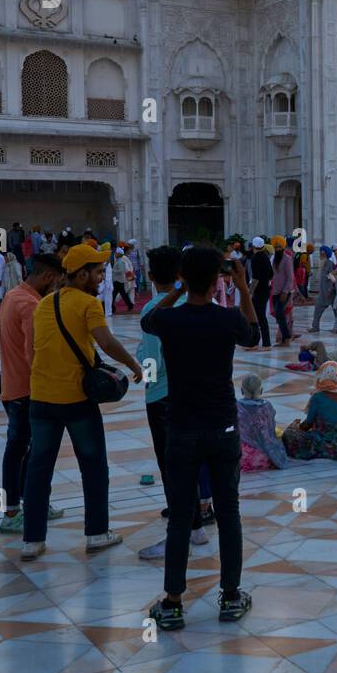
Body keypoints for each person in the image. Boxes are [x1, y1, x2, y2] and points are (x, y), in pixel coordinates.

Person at [141, 245, 259, 631]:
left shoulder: (171, 321)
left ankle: (173, 602)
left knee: (180, 517)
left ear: (184, 278)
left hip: (181, 427)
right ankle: (229, 596)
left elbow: (149, 320)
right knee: (229, 513)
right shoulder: (226, 320)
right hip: (222, 426)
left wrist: (178, 287)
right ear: (216, 281)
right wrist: (242, 289)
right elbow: (254, 336)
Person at [21, 244, 144, 560]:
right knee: (92, 465)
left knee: (38, 468)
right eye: (99, 272)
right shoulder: (89, 304)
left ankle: (32, 540)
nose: (102, 277)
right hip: (75, 398)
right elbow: (106, 341)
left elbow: (34, 348)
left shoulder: (44, 304)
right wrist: (133, 365)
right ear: (81, 273)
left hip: (41, 397)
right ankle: (97, 533)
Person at [136, 246, 210, 561]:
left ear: (151, 276)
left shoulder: (155, 310)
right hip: (197, 394)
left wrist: (145, 376)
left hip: (164, 397)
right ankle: (196, 527)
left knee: (171, 468)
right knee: (191, 461)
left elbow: (153, 362)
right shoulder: (194, 303)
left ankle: (177, 537)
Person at [0, 253, 66, 536]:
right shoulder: (30, 305)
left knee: (26, 451)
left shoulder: (13, 296)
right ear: (48, 277)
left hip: (13, 388)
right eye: (56, 282)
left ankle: (34, 501)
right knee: (20, 450)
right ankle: (12, 511)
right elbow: (33, 352)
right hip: (26, 390)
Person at [281, 360, 337, 461]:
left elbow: (307, 424)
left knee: (289, 435)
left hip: (335, 448)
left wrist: (296, 428)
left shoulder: (318, 397)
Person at [237, 374, 290, 471]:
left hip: (245, 457)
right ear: (261, 390)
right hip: (268, 456)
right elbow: (270, 431)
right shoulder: (267, 406)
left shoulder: (238, 407)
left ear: (242, 390)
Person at [248, 236, 274, 347]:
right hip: (266, 290)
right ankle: (263, 342)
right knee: (260, 316)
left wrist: (250, 292)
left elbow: (255, 278)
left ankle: (260, 342)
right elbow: (271, 274)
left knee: (257, 317)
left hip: (258, 292)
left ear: (253, 246)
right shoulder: (265, 256)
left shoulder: (255, 258)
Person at [270, 238, 295, 345]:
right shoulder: (275, 258)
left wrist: (285, 292)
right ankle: (285, 338)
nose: (278, 249)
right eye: (276, 247)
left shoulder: (287, 259)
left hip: (284, 292)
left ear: (283, 247)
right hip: (275, 291)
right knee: (278, 314)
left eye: (279, 247)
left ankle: (287, 337)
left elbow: (290, 277)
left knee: (280, 312)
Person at [309, 245, 337, 332]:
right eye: (321, 254)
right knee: (317, 310)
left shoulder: (330, 264)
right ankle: (315, 327)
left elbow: (333, 278)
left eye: (323, 254)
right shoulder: (323, 264)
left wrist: (331, 288)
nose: (321, 256)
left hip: (330, 292)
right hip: (323, 293)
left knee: (336, 311)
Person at [111, 247, 134, 311]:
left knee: (114, 294)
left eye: (116, 253)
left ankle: (112, 307)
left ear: (119, 254)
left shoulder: (120, 261)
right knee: (123, 294)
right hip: (119, 280)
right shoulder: (119, 260)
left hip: (118, 280)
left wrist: (112, 271)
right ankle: (130, 305)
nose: (115, 254)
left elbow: (121, 271)